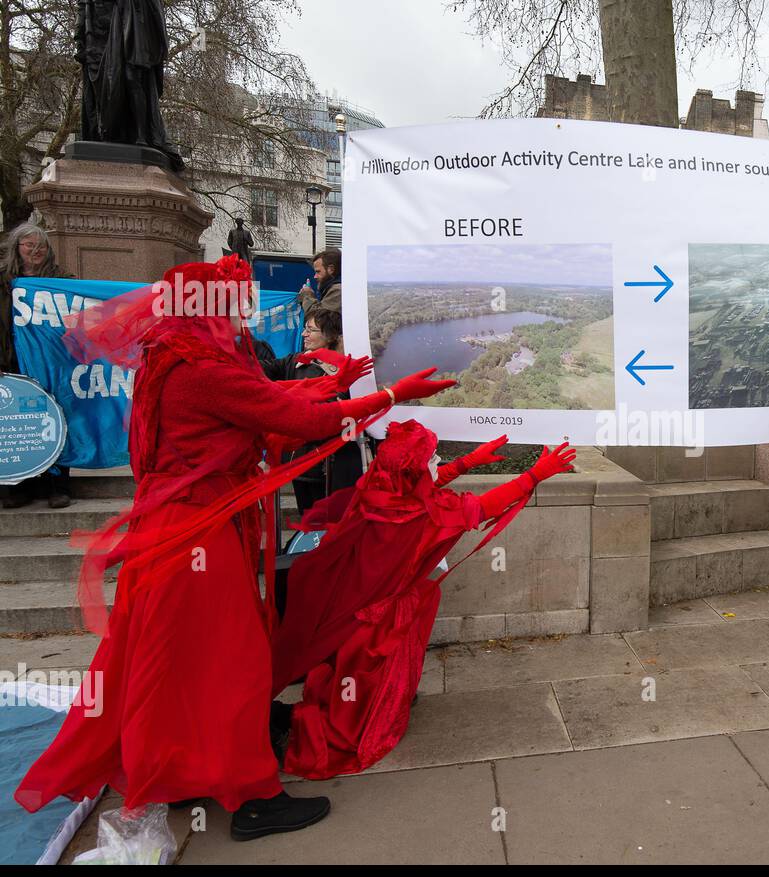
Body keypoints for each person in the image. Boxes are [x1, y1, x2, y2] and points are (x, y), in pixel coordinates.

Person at [14, 255, 456, 842]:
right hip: (197, 537)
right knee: (236, 663)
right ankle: (253, 796)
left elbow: (258, 403)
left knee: (183, 663)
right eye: (235, 303)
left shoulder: (173, 360)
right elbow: (291, 417)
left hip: (181, 534)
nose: (243, 314)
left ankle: (190, 770)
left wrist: (336, 382)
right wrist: (391, 394)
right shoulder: (202, 372)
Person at [269, 426, 576, 778]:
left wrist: (467, 463)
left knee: (350, 680)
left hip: (353, 607)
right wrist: (536, 473)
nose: (437, 461)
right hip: (381, 617)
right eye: (432, 457)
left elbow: (419, 485)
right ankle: (338, 724)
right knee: (368, 695)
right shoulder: (423, 516)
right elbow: (480, 507)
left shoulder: (379, 488)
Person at [1, 223, 75, 509]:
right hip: (13, 362)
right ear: (16, 248)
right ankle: (20, 486)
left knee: (56, 421)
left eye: (41, 246)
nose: (35, 251)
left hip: (52, 362)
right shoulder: (2, 281)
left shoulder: (62, 281)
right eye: (29, 245)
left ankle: (58, 485)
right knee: (16, 425)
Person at [259, 309, 363, 512]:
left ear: (331, 336)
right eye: (305, 329)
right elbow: (264, 368)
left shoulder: (349, 368)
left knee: (332, 519)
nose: (304, 334)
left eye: (311, 330)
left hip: (334, 463)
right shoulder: (296, 362)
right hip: (298, 462)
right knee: (307, 517)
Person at [298, 247, 341, 324]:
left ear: (331, 269)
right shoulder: (333, 287)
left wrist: (307, 296)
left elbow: (318, 319)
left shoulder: (338, 290)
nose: (315, 276)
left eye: (318, 272)